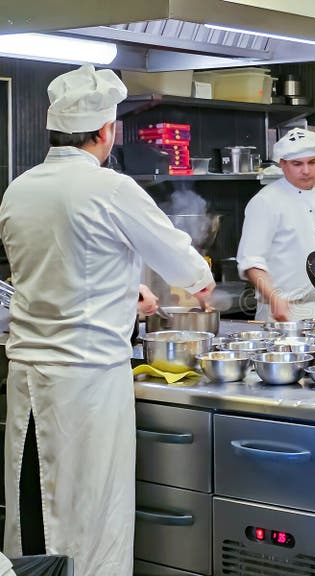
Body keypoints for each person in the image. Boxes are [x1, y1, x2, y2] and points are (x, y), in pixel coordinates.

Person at [0, 65, 215, 576]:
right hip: (87, 384)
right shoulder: (111, 188)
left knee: (32, 509)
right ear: (106, 131)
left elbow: (59, 271)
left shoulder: (19, 189)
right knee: (88, 519)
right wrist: (196, 284)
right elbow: (188, 269)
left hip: (27, 375)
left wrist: (123, 291)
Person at [237, 128, 315, 321]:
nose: (306, 170)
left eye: (312, 162)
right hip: (282, 310)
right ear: (283, 164)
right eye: (297, 164)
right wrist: (273, 297)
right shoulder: (266, 201)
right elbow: (250, 261)